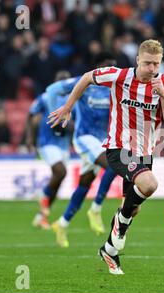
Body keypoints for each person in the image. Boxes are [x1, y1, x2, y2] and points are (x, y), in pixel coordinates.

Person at [48, 40, 164, 274]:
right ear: (138, 60)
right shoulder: (119, 76)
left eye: (156, 64)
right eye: (147, 63)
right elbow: (87, 77)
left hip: (144, 152)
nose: (151, 69)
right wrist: (68, 107)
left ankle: (109, 249)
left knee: (132, 209)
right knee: (149, 184)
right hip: (118, 148)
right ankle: (114, 223)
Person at [50, 53, 119, 248]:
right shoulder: (85, 81)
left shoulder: (114, 87)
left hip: (102, 140)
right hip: (84, 137)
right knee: (114, 163)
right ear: (100, 67)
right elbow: (54, 89)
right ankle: (96, 208)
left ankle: (61, 224)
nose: (112, 69)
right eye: (109, 65)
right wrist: (62, 108)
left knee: (85, 183)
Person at [28, 71, 72, 230]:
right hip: (47, 141)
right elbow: (32, 115)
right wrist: (29, 139)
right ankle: (44, 194)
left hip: (63, 144)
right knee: (60, 171)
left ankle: (42, 215)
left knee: (58, 180)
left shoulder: (73, 99)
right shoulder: (46, 97)